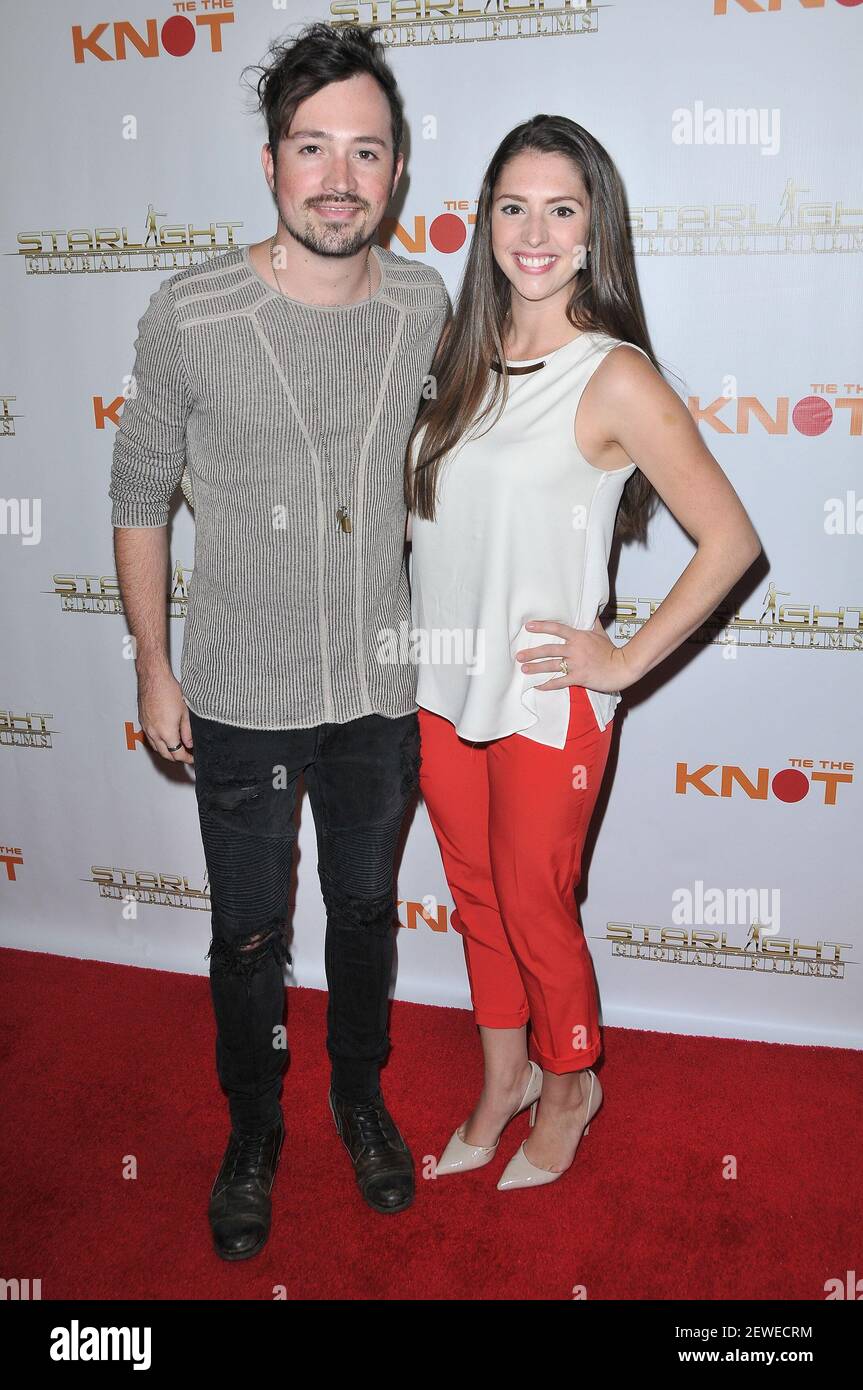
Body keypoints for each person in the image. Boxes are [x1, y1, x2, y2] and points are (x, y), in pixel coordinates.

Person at [109, 23, 449, 1258]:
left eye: (365, 151)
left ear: (397, 169)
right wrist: (152, 662)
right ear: (269, 163)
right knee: (247, 933)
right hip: (240, 688)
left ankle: (359, 1098)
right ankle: (253, 1127)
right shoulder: (191, 308)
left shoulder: (422, 298)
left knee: (363, 911)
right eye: (314, 148)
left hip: (376, 686)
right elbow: (139, 487)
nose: (338, 179)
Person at [405, 115, 762, 1191]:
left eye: (561, 209)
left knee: (531, 907)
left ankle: (571, 1086)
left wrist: (621, 660)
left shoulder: (611, 375)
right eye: (512, 205)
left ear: (593, 228)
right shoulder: (456, 360)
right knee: (474, 899)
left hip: (543, 701)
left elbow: (730, 540)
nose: (533, 230)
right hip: (435, 684)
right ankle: (503, 1075)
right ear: (486, 221)